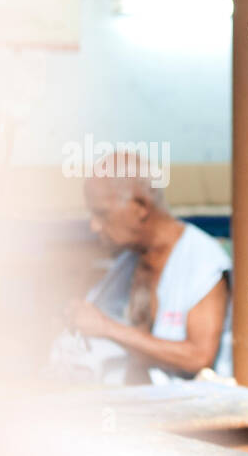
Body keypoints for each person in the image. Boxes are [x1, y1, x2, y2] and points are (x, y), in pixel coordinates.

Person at [55, 151, 233, 385]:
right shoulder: (126, 264)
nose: (94, 226)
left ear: (140, 206)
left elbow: (198, 357)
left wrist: (106, 328)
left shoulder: (203, 261)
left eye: (102, 214)